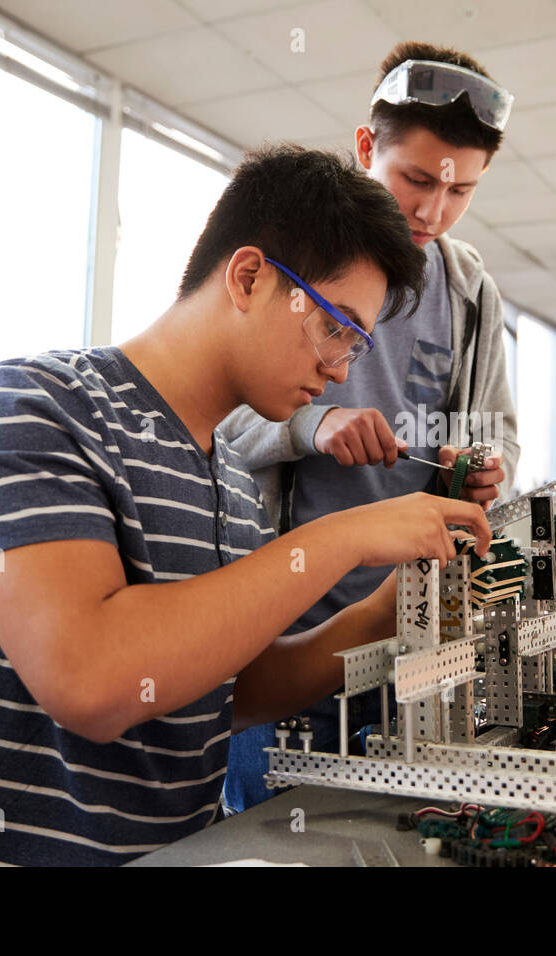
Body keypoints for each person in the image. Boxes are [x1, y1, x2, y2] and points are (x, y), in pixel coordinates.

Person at [0, 145, 491, 866]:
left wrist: (380, 615)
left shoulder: (227, 473)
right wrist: (345, 538)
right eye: (334, 327)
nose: (341, 368)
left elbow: (227, 689)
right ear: (250, 277)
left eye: (356, 343)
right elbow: (92, 677)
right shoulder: (32, 406)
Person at [220, 42, 520, 812]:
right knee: (260, 841)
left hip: (403, 639)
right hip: (278, 638)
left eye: (460, 191)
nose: (431, 211)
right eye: (416, 179)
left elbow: (501, 434)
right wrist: (310, 427)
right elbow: (212, 427)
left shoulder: (470, 290)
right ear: (364, 148)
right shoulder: (292, 262)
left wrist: (487, 467)